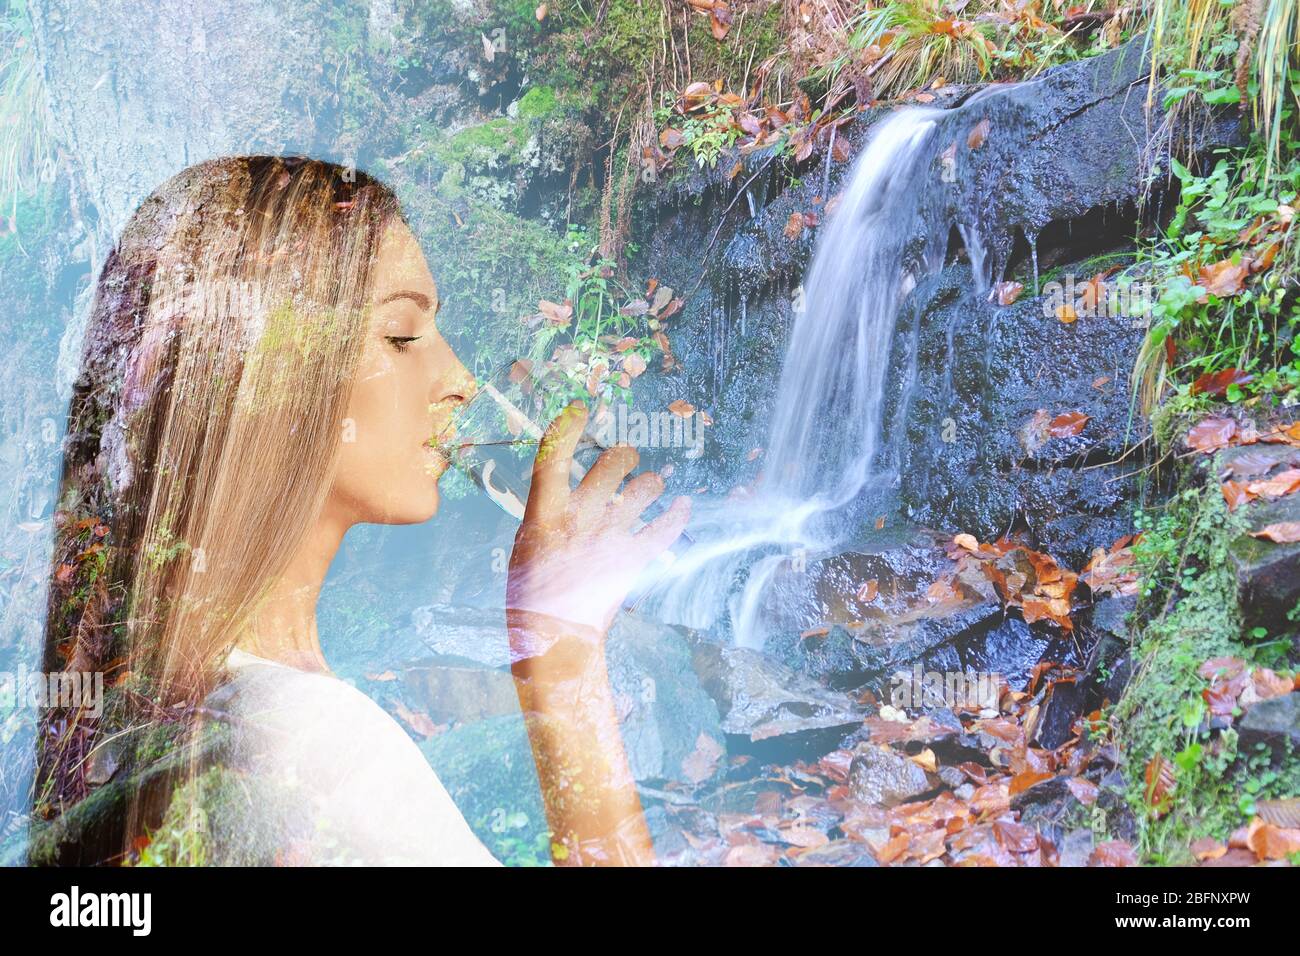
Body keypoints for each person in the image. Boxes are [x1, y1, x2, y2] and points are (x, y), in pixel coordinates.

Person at [36, 156, 691, 866]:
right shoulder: (315, 743)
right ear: (268, 378)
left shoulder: (127, 714)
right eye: (402, 335)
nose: (462, 382)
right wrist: (564, 657)